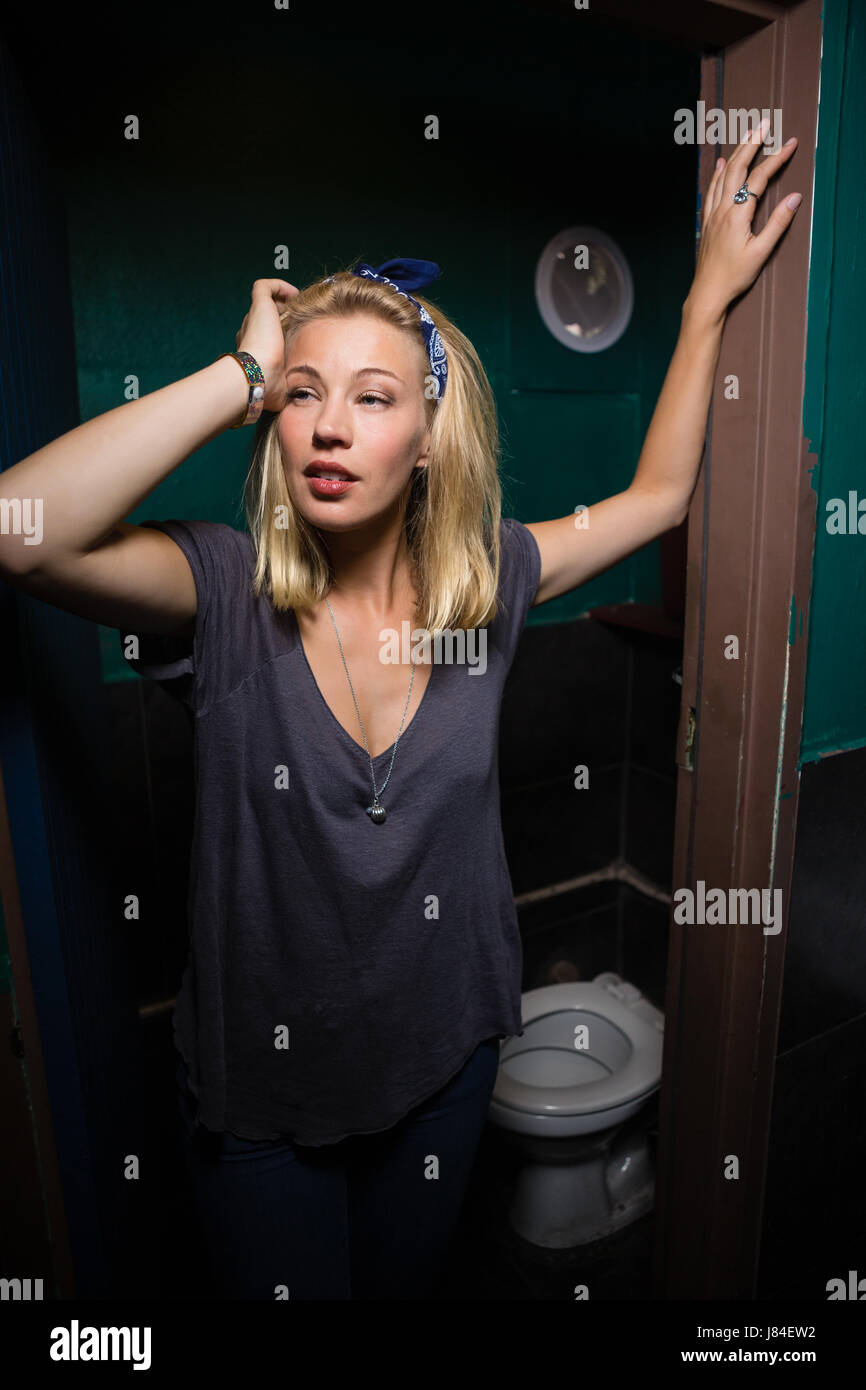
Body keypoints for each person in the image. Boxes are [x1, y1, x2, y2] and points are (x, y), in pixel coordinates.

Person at [0, 122, 800, 1299]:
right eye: (302, 395)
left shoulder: (492, 579)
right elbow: (20, 527)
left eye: (374, 398)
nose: (329, 425)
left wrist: (705, 301)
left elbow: (659, 496)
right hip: (263, 1102)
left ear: (426, 440)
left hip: (447, 1064)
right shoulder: (221, 590)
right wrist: (236, 375)